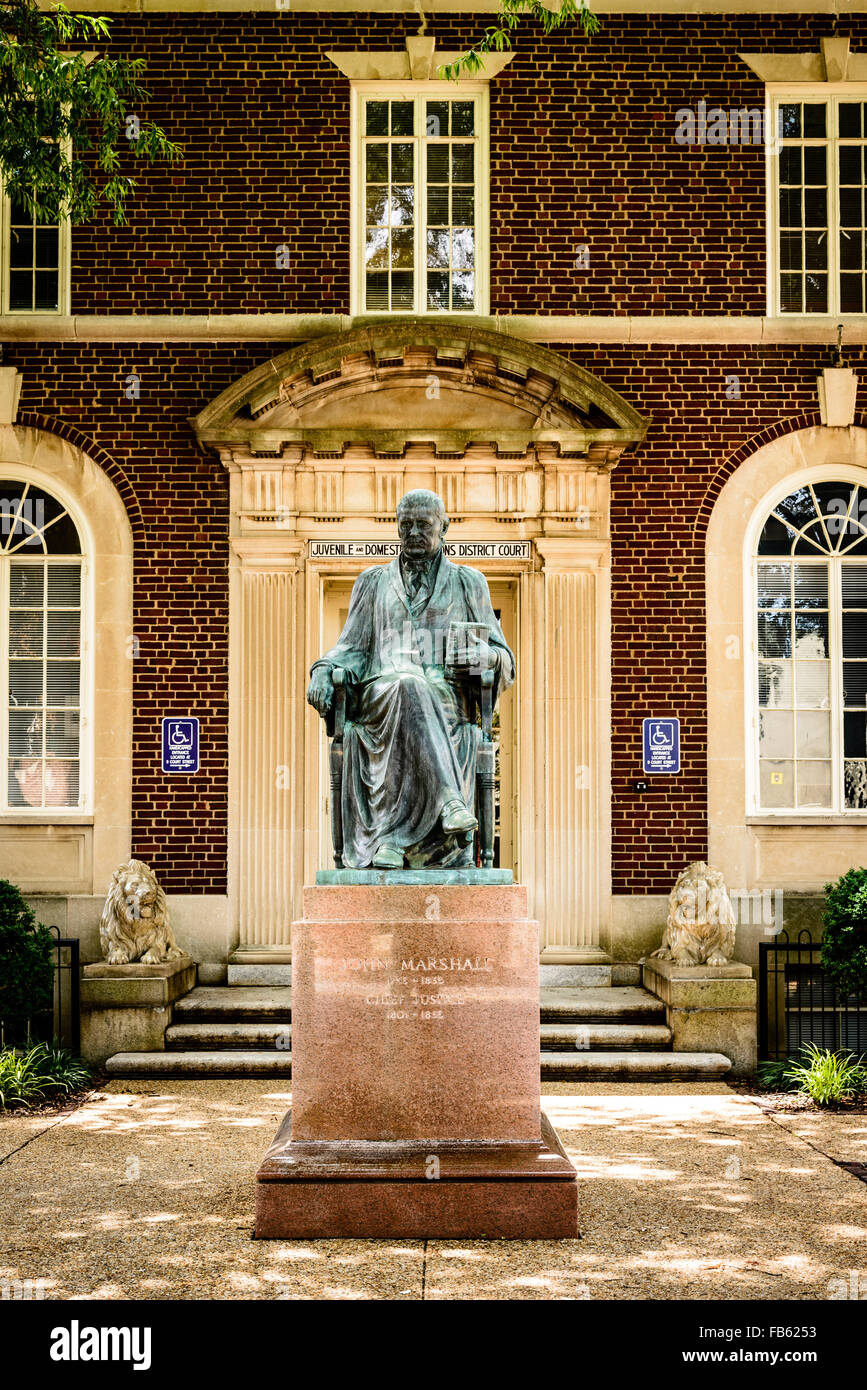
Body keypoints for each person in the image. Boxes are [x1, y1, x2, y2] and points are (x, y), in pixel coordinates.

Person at [306, 489, 515, 868]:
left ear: (444, 527)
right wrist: (321, 671)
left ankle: (392, 840)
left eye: (424, 524)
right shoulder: (372, 583)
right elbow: (348, 649)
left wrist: (486, 655)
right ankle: (449, 803)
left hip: (447, 704)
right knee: (406, 683)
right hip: (381, 699)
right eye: (406, 525)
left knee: (416, 687)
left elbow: (505, 659)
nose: (414, 532)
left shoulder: (469, 583)